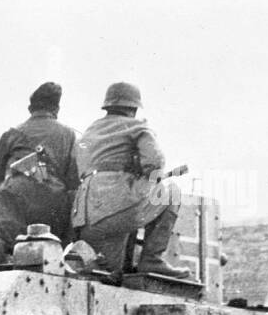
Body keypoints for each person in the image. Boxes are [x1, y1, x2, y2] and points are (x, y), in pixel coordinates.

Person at [72, 82, 189, 278]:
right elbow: (155, 163)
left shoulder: (90, 130)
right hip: (118, 210)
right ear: (133, 108)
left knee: (111, 275)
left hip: (84, 218)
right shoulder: (137, 126)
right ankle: (152, 260)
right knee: (172, 191)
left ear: (107, 107)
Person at [0, 82, 80, 265]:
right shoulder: (69, 134)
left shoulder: (12, 133)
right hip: (55, 201)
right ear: (56, 109)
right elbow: (73, 182)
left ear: (30, 108)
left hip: (16, 191)